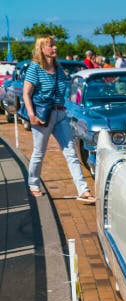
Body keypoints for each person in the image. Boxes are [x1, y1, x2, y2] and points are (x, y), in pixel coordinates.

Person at [23, 36, 94, 203]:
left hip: (61, 114)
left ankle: (83, 190)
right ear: (42, 49)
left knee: (71, 153)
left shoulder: (59, 68)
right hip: (43, 115)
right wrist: (31, 115)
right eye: (51, 46)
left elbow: (68, 91)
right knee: (39, 152)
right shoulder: (35, 68)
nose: (55, 48)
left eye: (54, 45)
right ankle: (33, 184)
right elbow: (26, 93)